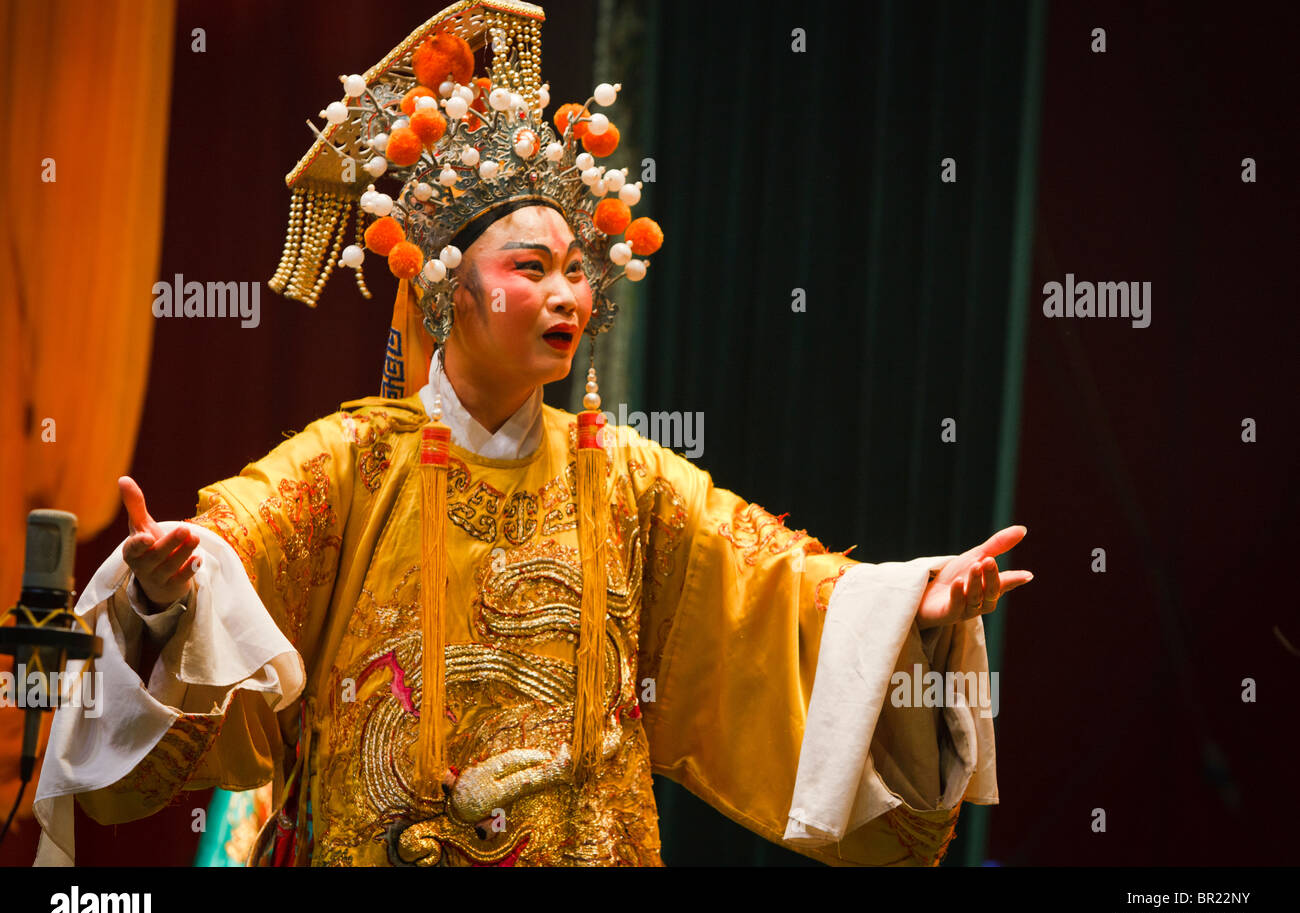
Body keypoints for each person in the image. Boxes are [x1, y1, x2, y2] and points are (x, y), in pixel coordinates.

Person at [32, 2, 1029, 867]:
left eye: (574, 269)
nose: (564, 294)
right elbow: (230, 557)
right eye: (528, 266)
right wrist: (164, 596)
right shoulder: (349, 465)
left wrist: (917, 605)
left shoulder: (626, 479)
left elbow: (776, 590)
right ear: (442, 283)